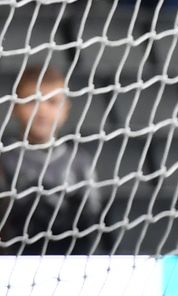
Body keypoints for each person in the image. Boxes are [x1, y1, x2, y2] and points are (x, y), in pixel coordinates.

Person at [0, 64, 106, 253]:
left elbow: (92, 217)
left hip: (70, 259)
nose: (42, 111)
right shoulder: (5, 157)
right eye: (32, 101)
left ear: (65, 109)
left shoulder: (79, 161)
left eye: (52, 102)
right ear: (15, 106)